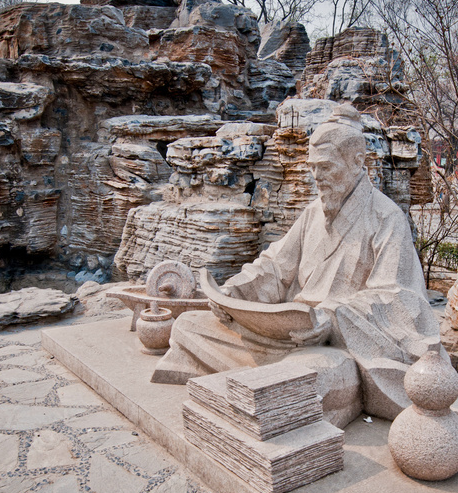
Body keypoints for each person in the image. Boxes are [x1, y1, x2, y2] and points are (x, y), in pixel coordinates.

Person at [151, 103, 443, 424]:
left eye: (326, 167)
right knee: (188, 325)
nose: (317, 177)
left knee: (313, 372)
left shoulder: (387, 217)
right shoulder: (313, 213)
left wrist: (331, 318)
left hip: (336, 348)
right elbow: (275, 266)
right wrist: (235, 293)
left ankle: (286, 390)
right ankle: (272, 385)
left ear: (357, 161)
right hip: (287, 335)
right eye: (313, 167)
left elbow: (398, 299)